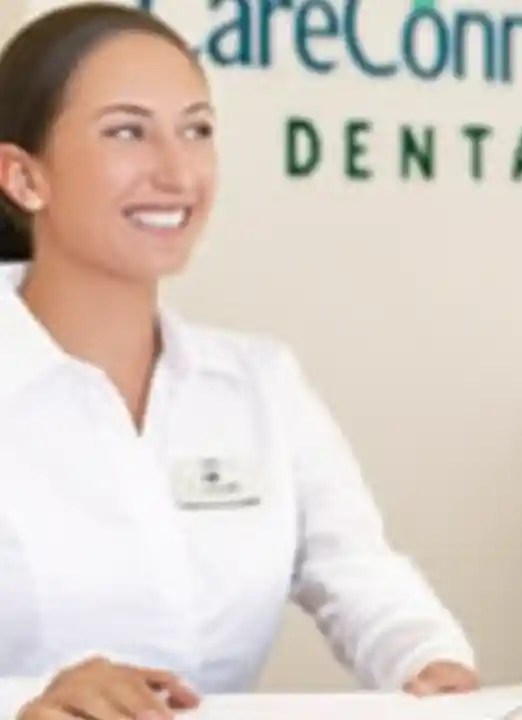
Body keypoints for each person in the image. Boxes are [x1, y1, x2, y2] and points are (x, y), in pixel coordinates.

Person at [0, 5, 478, 719]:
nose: (177, 170)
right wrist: (27, 703)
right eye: (127, 131)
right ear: (22, 176)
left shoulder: (259, 381)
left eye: (196, 130)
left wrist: (430, 663)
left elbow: (357, 569)